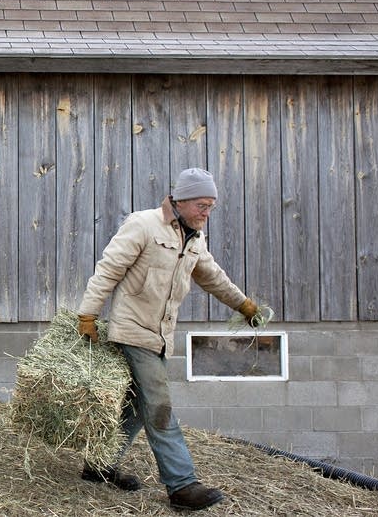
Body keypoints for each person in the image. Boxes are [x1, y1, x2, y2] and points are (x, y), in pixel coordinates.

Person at [75, 167, 261, 511]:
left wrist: (244, 304)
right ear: (181, 200)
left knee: (135, 406)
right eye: (202, 205)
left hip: (160, 337)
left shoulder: (194, 238)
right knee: (159, 405)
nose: (207, 212)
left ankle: (99, 465)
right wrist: (88, 314)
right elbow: (108, 269)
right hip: (132, 331)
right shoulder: (143, 224)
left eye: (211, 206)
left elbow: (213, 277)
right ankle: (182, 484)